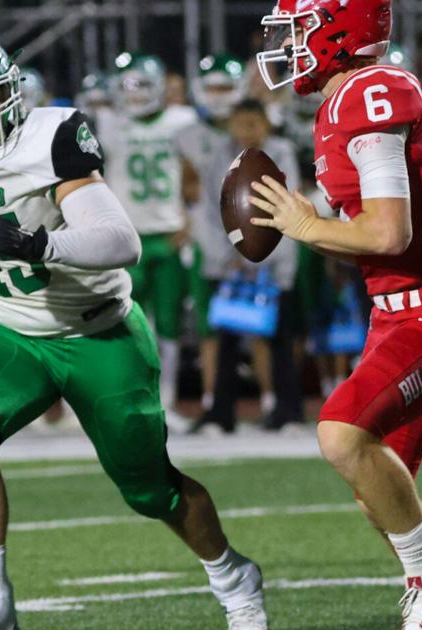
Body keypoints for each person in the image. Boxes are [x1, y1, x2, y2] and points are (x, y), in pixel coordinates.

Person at [0, 30, 266, 630]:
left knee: (150, 491)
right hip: (9, 329)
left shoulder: (46, 139)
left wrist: (38, 241)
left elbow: (120, 241)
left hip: (96, 331)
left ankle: (234, 578)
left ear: (11, 90)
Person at [254, 1, 422, 627]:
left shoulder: (371, 91)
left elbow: (389, 233)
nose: (287, 44)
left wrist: (308, 225)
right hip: (401, 309)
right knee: (381, 495)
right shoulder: (346, 100)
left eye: (298, 30)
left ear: (338, 30)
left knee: (340, 432)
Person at [96, 52, 198, 432]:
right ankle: (124, 398)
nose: (136, 96)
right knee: (122, 322)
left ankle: (166, 400)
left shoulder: (182, 121)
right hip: (126, 236)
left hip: (168, 232)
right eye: (129, 87)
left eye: (143, 87)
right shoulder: (106, 123)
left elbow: (194, 174)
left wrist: (191, 219)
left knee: (169, 323)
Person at [195, 99, 302, 434]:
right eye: (241, 123)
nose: (247, 130)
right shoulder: (218, 156)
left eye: (254, 123)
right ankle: (221, 414)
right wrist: (230, 255)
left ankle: (288, 412)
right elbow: (211, 210)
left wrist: (266, 256)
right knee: (226, 339)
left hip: (273, 263)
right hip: (230, 264)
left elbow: (289, 205)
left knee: (280, 339)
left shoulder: (281, 152)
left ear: (266, 125)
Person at [179, 53, 247, 417]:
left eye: (225, 87)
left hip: (254, 235)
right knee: (211, 324)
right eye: (212, 87)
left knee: (269, 324)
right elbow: (186, 190)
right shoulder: (188, 135)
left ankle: (275, 401)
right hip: (208, 236)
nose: (219, 95)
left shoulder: (255, 126)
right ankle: (212, 401)